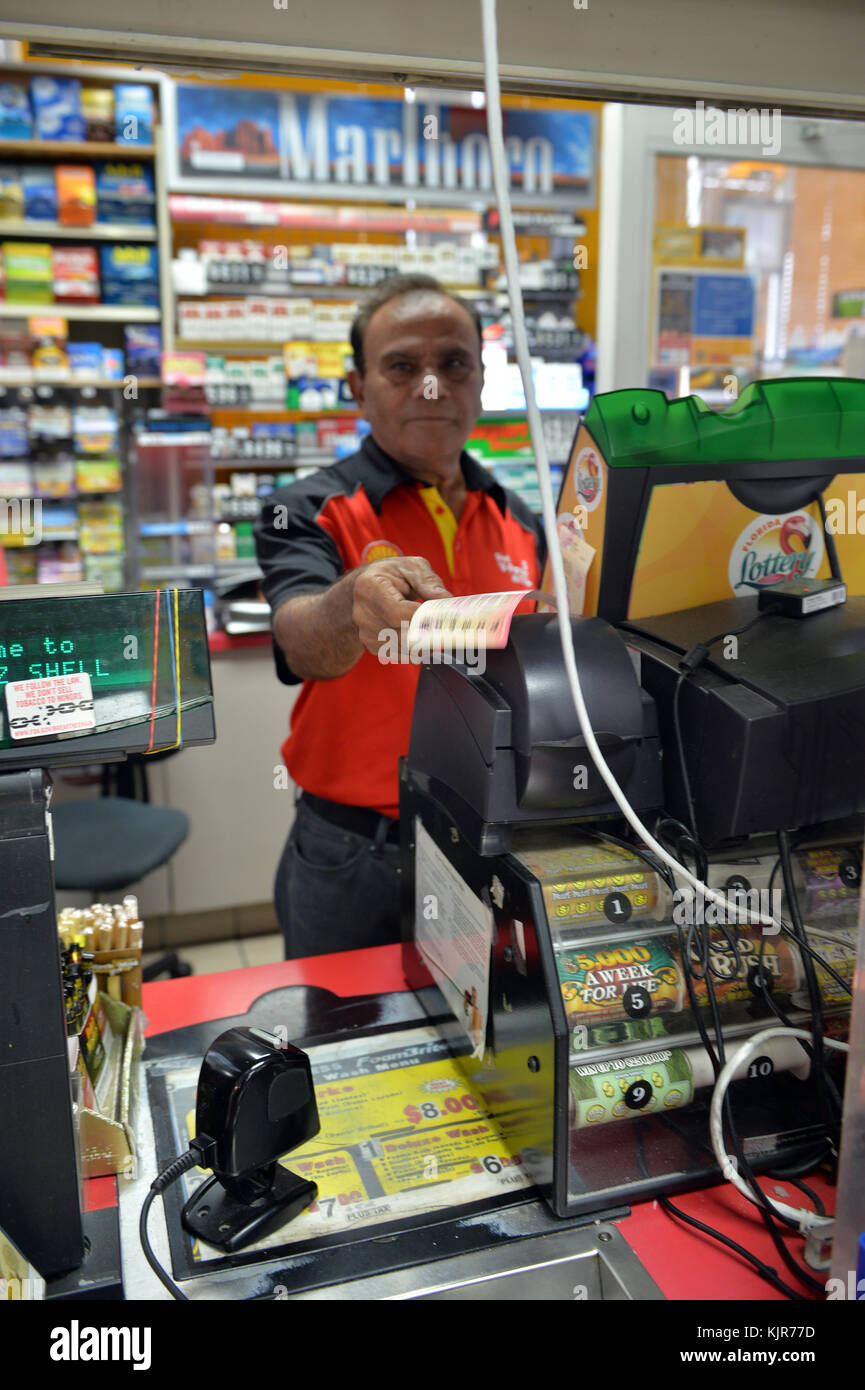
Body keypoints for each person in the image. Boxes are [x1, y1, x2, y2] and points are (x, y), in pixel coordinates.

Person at [254, 273, 546, 959]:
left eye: (453, 363)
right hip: (353, 853)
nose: (433, 386)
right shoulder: (308, 508)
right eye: (402, 366)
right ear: (357, 388)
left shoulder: (519, 519)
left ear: (480, 378)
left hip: (488, 847)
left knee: (473, 1056)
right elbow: (299, 641)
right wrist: (350, 603)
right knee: (331, 1048)